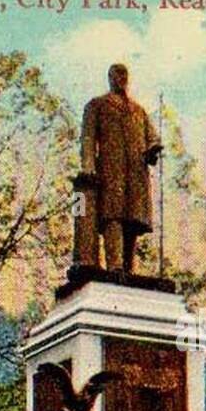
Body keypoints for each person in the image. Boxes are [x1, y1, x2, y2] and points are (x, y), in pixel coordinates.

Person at [78, 63, 163, 273]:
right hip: (110, 169)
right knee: (112, 215)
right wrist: (88, 166)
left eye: (124, 75)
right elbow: (88, 138)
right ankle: (114, 264)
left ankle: (128, 267)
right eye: (117, 75)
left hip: (136, 172)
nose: (121, 79)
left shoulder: (138, 110)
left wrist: (153, 149)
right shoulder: (97, 105)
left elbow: (151, 137)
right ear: (110, 77)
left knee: (132, 219)